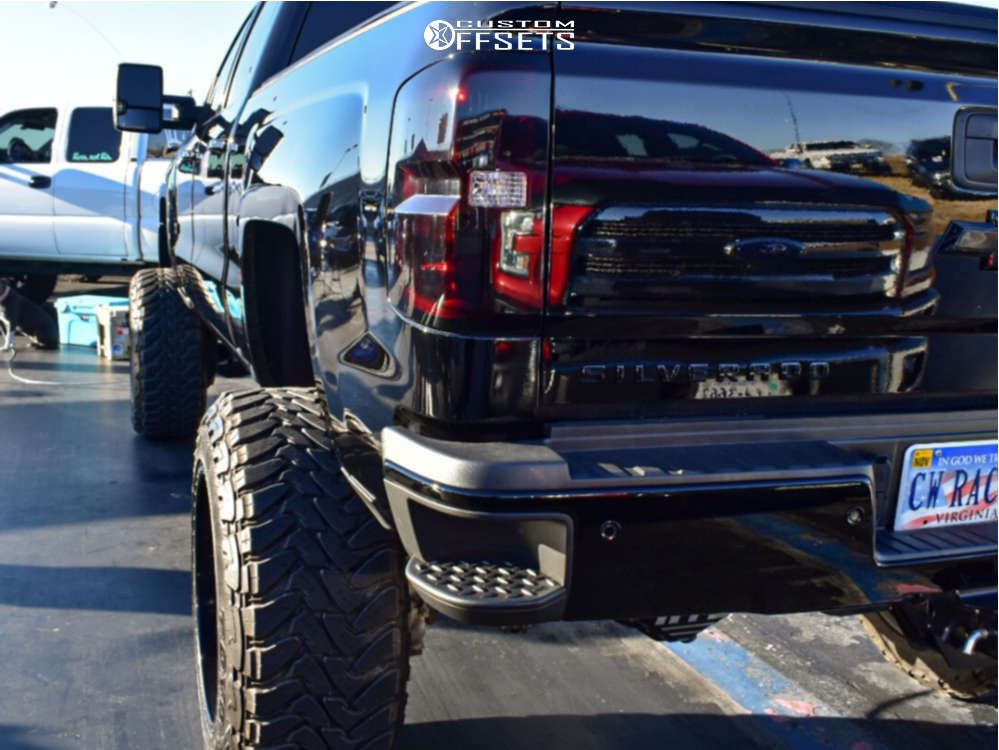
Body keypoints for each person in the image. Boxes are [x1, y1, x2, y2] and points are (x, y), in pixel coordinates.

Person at [0, 280, 59, 350]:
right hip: (36, 333)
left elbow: (11, 324)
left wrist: (7, 345)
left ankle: (45, 344)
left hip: (45, 334)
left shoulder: (12, 300)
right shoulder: (8, 297)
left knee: (11, 323)